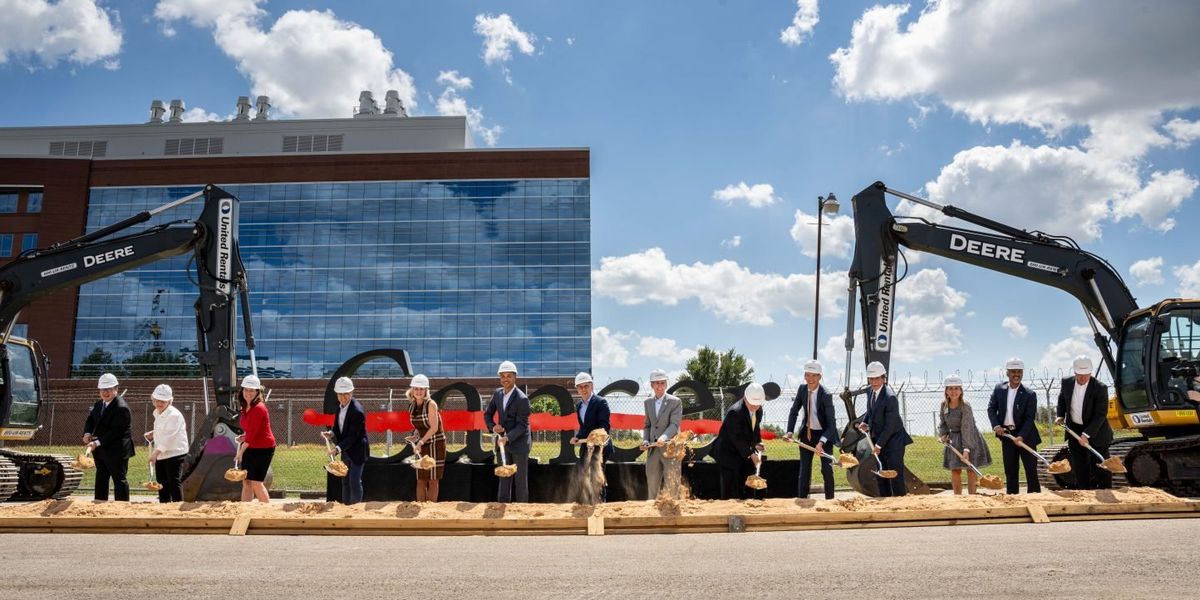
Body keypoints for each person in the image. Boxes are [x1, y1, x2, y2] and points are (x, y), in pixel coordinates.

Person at [1055, 356, 1113, 490]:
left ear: (1090, 373)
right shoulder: (1067, 383)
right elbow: (1062, 399)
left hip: (1097, 432)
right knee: (1079, 466)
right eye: (1079, 375)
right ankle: (1084, 493)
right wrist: (1060, 415)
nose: (1082, 379)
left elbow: (1100, 414)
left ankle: (1106, 492)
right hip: (1074, 430)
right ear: (1074, 372)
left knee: (1100, 466)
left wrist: (1087, 434)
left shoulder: (1100, 388)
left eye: (1085, 376)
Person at [784, 360, 838, 499]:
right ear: (804, 375)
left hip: (824, 435)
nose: (810, 379)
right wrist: (789, 431)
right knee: (804, 470)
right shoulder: (802, 389)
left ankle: (830, 502)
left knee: (827, 470)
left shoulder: (826, 395)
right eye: (808, 375)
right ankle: (802, 500)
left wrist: (821, 443)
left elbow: (832, 424)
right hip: (807, 434)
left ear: (820, 377)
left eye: (814, 376)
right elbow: (794, 411)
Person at [858, 361, 913, 497]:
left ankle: (899, 507)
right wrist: (865, 422)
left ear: (884, 378)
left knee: (894, 477)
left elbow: (890, 426)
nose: (874, 381)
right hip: (880, 440)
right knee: (881, 476)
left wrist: (878, 445)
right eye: (871, 378)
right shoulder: (871, 391)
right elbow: (871, 410)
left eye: (877, 378)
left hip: (894, 442)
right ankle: (885, 504)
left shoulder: (890, 397)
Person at [987, 357, 1041, 494]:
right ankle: (1013, 499)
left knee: (1031, 470)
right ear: (1007, 373)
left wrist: (1021, 436)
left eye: (1019, 372)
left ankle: (1034, 499)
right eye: (1013, 372)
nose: (1016, 374)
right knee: (1010, 470)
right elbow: (991, 409)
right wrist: (996, 426)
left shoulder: (1030, 394)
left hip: (1026, 436)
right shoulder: (999, 389)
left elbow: (1030, 418)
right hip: (1007, 435)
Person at [82, 372, 135, 502]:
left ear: (116, 389)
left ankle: (121, 507)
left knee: (119, 479)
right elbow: (91, 420)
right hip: (101, 450)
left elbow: (116, 432)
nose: (105, 393)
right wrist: (87, 433)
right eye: (102, 390)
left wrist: (97, 443)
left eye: (109, 389)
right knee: (101, 477)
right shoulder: (99, 404)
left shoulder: (121, 408)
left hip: (117, 450)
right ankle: (99, 504)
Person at [484, 360, 531, 502]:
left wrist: (507, 437)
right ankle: (502, 508)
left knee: (520, 481)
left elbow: (522, 425)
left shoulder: (522, 399)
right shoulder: (497, 394)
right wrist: (493, 427)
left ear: (515, 377)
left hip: (519, 444)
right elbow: (487, 414)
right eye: (502, 376)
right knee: (504, 478)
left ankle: (522, 511)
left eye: (509, 376)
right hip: (503, 444)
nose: (505, 379)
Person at [939, 375, 992, 495]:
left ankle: (972, 497)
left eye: (956, 388)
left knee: (971, 469)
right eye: (950, 388)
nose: (953, 392)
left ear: (961, 390)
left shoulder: (965, 406)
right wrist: (944, 434)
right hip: (953, 439)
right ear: (946, 391)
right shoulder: (944, 405)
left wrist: (966, 449)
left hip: (970, 438)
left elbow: (966, 428)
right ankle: (958, 498)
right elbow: (943, 423)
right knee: (955, 470)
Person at [714, 382, 765, 500]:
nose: (754, 407)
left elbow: (755, 428)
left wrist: (758, 442)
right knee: (730, 493)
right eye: (752, 404)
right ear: (745, 397)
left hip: (744, 453)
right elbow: (737, 438)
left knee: (746, 490)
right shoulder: (735, 412)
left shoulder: (758, 410)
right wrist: (751, 454)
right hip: (728, 454)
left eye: (757, 405)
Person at [323, 376, 368, 505]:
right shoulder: (340, 408)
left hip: (358, 450)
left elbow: (353, 436)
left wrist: (337, 449)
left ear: (351, 392)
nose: (343, 397)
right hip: (346, 450)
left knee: (354, 480)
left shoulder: (357, 411)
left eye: (346, 394)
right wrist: (331, 433)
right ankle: (346, 506)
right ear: (337, 394)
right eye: (340, 394)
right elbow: (338, 428)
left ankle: (356, 508)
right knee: (345, 480)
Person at [570, 372, 613, 502]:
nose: (583, 389)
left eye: (586, 386)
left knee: (597, 476)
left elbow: (604, 426)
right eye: (580, 387)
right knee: (582, 474)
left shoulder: (601, 402)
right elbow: (584, 428)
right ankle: (587, 503)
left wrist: (594, 437)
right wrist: (577, 437)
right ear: (577, 389)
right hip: (587, 447)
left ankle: (600, 504)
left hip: (600, 447)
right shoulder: (579, 406)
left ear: (592, 386)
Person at [640, 368, 682, 499]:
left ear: (666, 384)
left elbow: (675, 425)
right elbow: (647, 425)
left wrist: (663, 437)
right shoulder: (648, 403)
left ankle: (673, 511)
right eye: (656, 383)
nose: (660, 386)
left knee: (672, 484)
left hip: (670, 449)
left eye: (662, 382)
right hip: (653, 451)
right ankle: (652, 511)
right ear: (651, 385)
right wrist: (646, 441)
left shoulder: (675, 401)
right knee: (652, 483)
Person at [144, 384, 188, 503]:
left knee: (174, 481)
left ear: (170, 401)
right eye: (157, 400)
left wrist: (155, 454)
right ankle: (164, 505)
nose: (159, 403)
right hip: (162, 453)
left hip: (175, 452)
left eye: (163, 401)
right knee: (161, 482)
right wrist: (154, 433)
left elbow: (169, 438)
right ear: (153, 400)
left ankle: (177, 507)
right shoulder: (157, 412)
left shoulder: (174, 415)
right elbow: (164, 429)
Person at [404, 374, 445, 502]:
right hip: (421, 444)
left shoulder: (431, 404)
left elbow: (433, 427)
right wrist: (415, 436)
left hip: (435, 444)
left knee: (432, 479)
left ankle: (431, 509)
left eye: (421, 389)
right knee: (421, 479)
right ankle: (421, 506)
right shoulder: (411, 405)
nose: (418, 391)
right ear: (412, 390)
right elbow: (419, 425)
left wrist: (420, 442)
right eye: (416, 388)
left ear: (426, 390)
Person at [235, 374, 275, 503]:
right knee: (246, 481)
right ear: (242, 391)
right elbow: (251, 432)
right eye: (246, 389)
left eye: (251, 390)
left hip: (264, 449)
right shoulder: (245, 407)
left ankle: (266, 512)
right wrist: (244, 437)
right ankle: (245, 510)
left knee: (256, 483)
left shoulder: (259, 408)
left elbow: (252, 435)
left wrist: (240, 452)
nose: (248, 393)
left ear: (257, 391)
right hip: (251, 446)